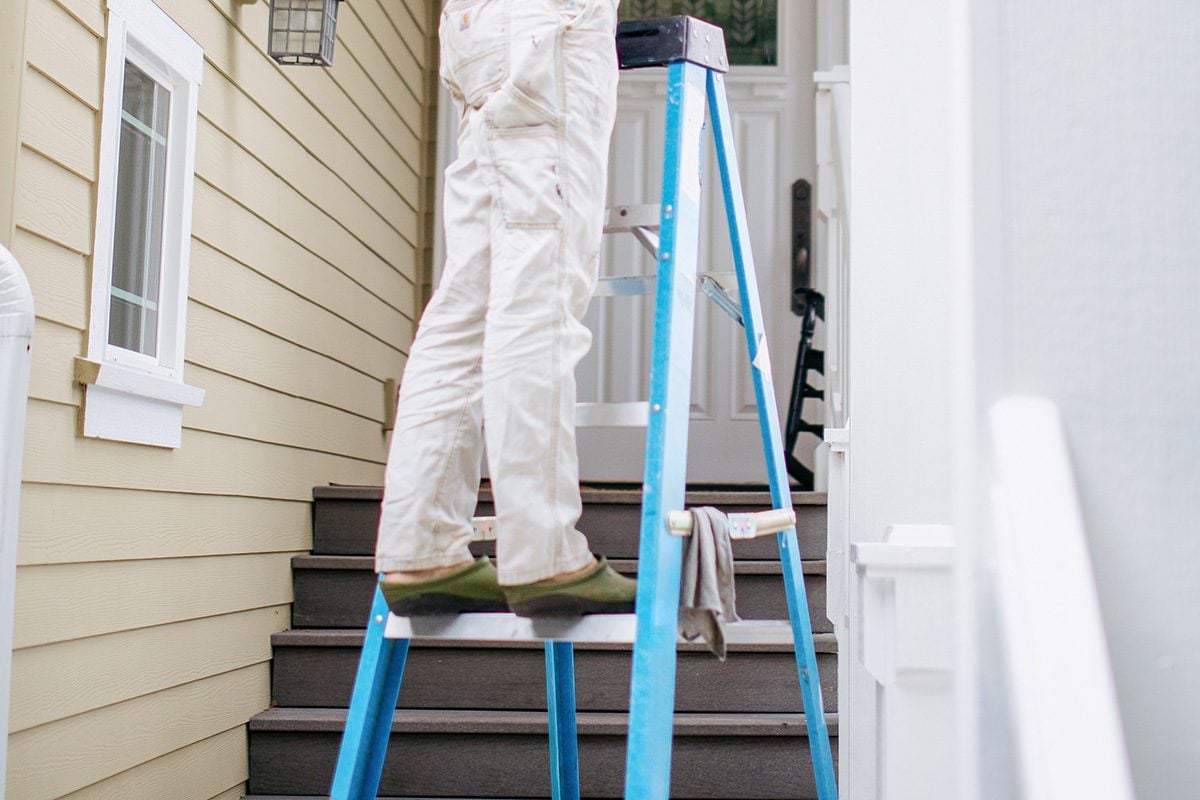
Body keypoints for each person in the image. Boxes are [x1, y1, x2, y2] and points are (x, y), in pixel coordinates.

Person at [374, 0, 637, 617]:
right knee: (537, 299)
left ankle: (423, 545)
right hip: (546, 26)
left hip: (479, 29)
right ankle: (544, 552)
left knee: (467, 307)